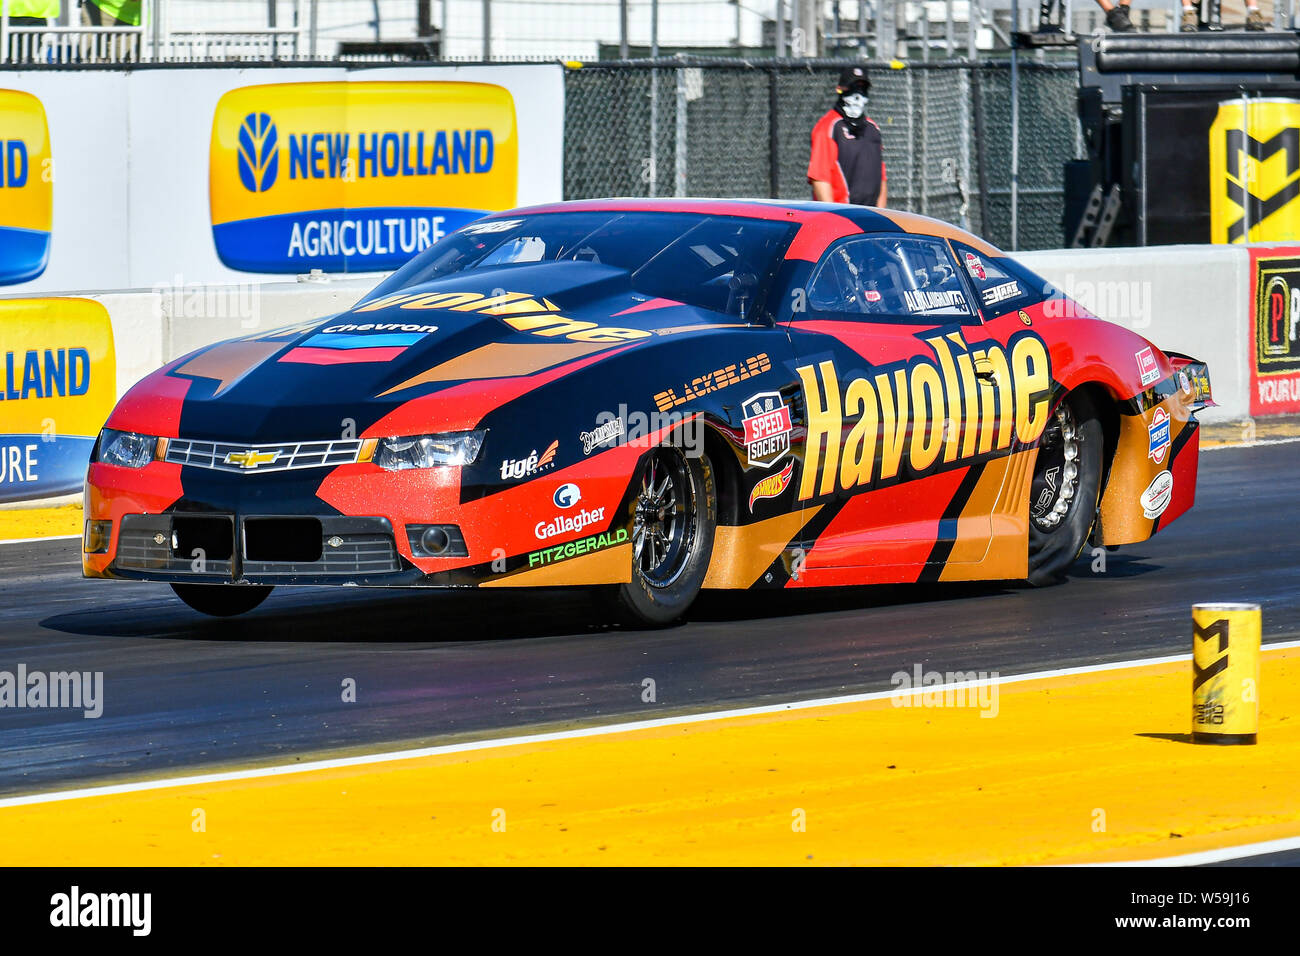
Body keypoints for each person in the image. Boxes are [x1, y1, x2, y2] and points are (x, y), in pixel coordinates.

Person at [807, 66, 887, 209]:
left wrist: (881, 215)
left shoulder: (872, 128)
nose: (858, 95)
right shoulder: (828, 127)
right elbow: (819, 178)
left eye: (862, 89)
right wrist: (833, 218)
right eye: (853, 88)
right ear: (841, 89)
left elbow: (881, 178)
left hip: (870, 217)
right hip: (843, 216)